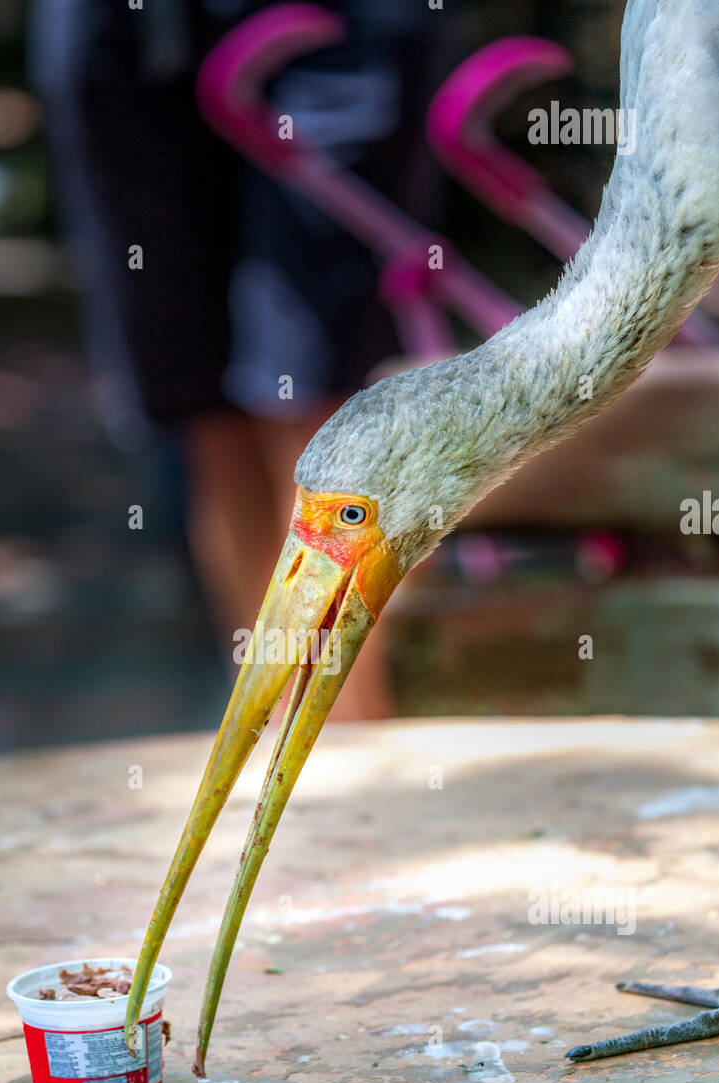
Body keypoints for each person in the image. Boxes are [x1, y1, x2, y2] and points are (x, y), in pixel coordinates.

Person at [29, 0, 452, 718]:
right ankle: (281, 744)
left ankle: (356, 749)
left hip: (338, 20)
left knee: (326, 398)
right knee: (199, 401)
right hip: (125, 27)